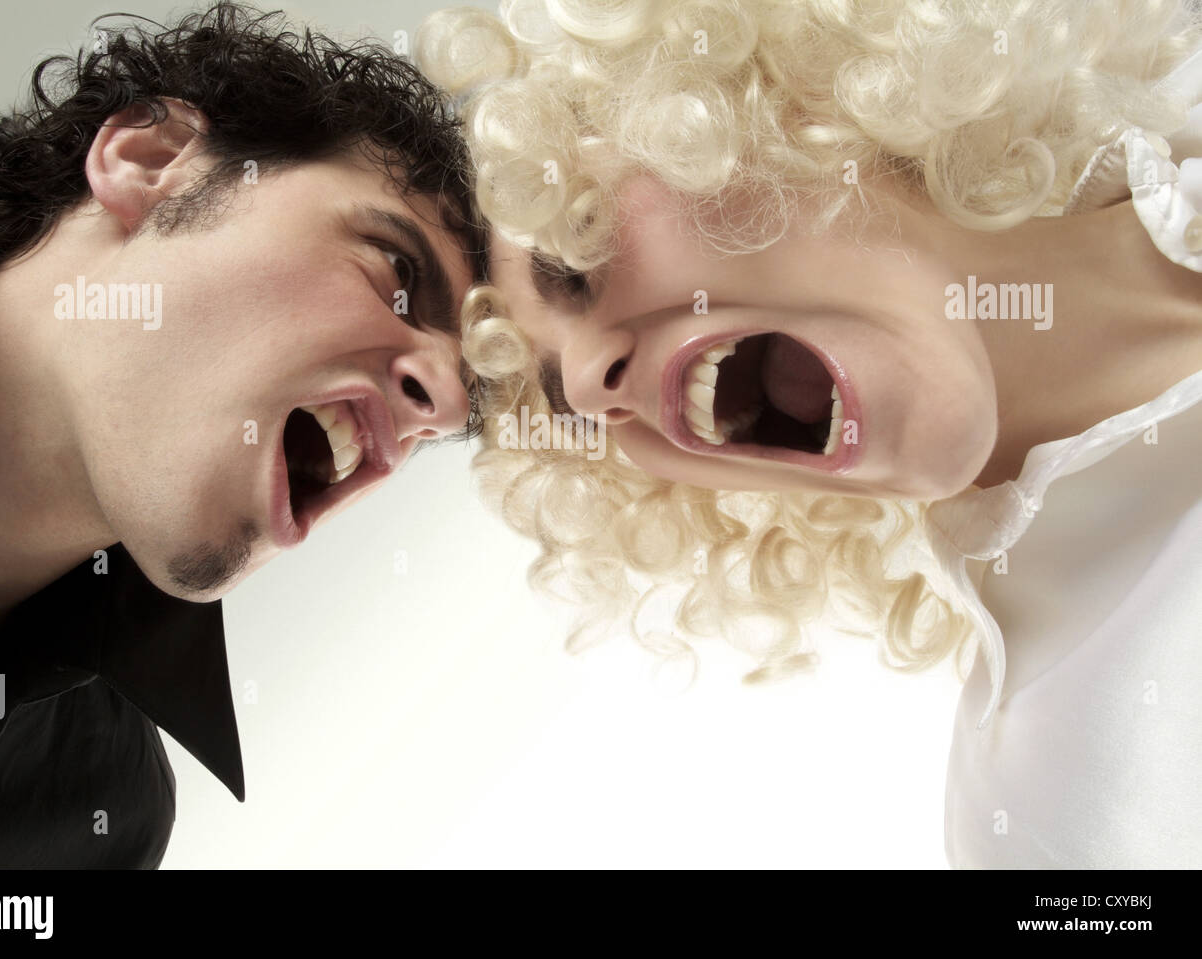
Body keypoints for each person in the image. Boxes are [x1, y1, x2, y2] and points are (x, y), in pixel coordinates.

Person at [423, 0, 1202, 866]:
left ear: (776, 106)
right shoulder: (1070, 811)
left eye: (577, 253)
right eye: (567, 411)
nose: (586, 384)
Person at [0, 2, 483, 867]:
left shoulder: (91, 827)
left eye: (443, 423)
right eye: (396, 269)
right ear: (149, 158)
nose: (432, 403)